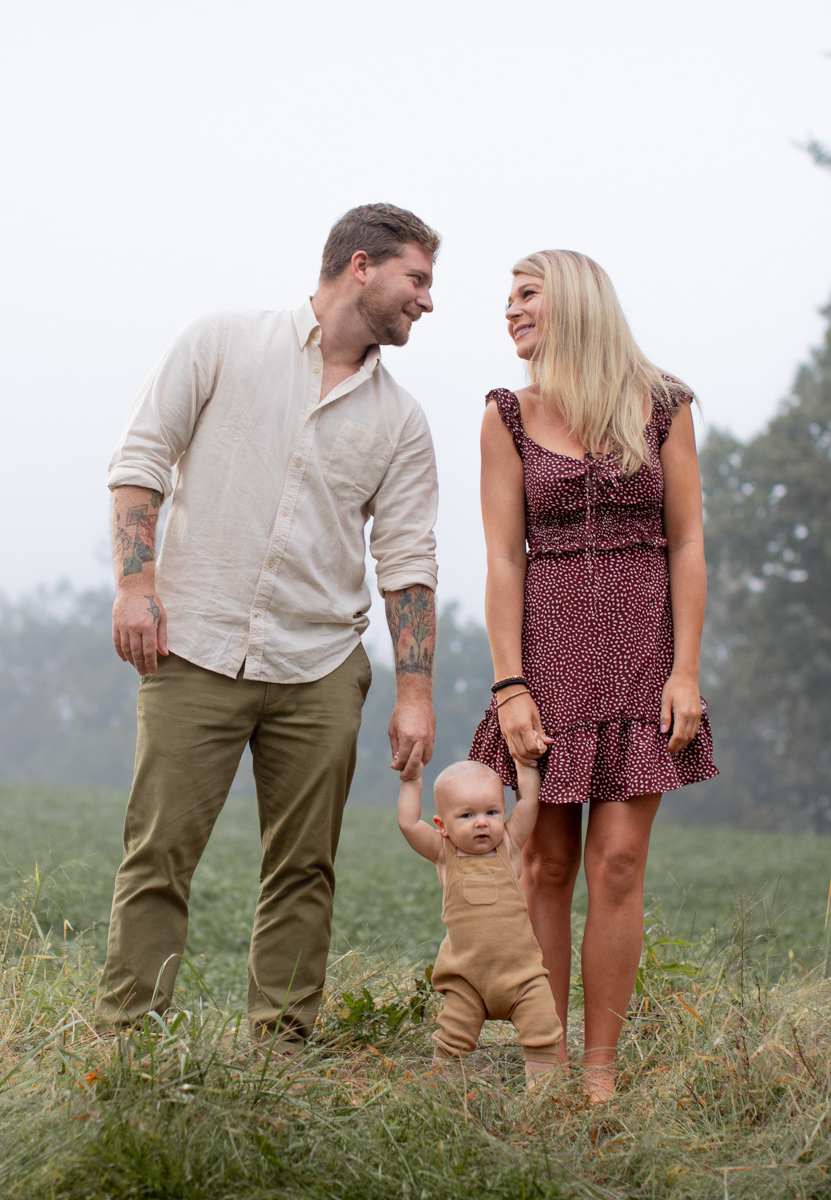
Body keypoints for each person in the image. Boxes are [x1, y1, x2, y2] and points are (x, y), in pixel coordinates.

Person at [98, 203, 442, 1051]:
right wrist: (135, 589)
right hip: (195, 646)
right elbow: (140, 463)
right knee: (158, 855)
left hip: (320, 665)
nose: (428, 302)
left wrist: (416, 694)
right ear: (361, 266)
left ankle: (281, 1056)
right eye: (419, 279)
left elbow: (407, 563)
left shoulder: (401, 421)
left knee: (304, 870)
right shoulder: (221, 341)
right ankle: (128, 1045)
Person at [469, 249, 718, 1101]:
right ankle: (548, 1065)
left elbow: (687, 543)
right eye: (508, 299)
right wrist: (510, 685)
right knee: (542, 866)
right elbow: (503, 559)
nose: (510, 311)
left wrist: (686, 671)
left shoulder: (663, 408)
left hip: (640, 659)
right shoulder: (507, 415)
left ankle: (600, 1075)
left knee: (617, 864)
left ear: (572, 304)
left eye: (526, 295)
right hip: (546, 666)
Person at [397, 759, 562, 1088]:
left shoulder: (510, 846)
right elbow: (408, 823)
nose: (481, 823)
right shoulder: (444, 855)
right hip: (466, 979)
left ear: (503, 812)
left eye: (491, 812)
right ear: (442, 825)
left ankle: (542, 1102)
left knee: (543, 1029)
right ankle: (440, 1095)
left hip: (522, 976)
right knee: (452, 1039)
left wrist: (524, 763)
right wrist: (412, 781)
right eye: (467, 816)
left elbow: (529, 801)